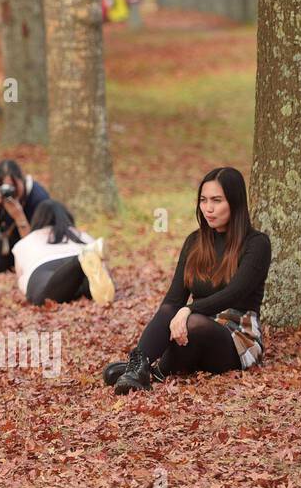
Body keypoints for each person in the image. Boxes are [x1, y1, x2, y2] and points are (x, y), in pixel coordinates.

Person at [106, 167, 272, 394]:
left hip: (238, 335)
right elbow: (174, 299)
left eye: (217, 200)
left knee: (193, 323)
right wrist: (180, 312)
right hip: (196, 324)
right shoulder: (195, 242)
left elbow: (236, 292)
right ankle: (138, 365)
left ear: (235, 202)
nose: (208, 208)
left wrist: (188, 310)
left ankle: (155, 372)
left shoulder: (257, 243)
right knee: (169, 311)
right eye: (203, 200)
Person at [12, 200, 115, 306]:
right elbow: (101, 264)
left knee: (44, 296)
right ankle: (82, 264)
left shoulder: (26, 241)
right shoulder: (81, 235)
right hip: (76, 256)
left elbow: (20, 275)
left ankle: (79, 262)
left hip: (43, 266)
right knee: (85, 278)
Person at [0, 159, 50, 276]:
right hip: (7, 242)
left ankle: (19, 262)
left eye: (14, 186)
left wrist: (19, 216)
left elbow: (38, 244)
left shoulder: (38, 197)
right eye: (6, 188)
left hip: (34, 246)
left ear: (22, 179)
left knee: (36, 270)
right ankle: (13, 262)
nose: (10, 192)